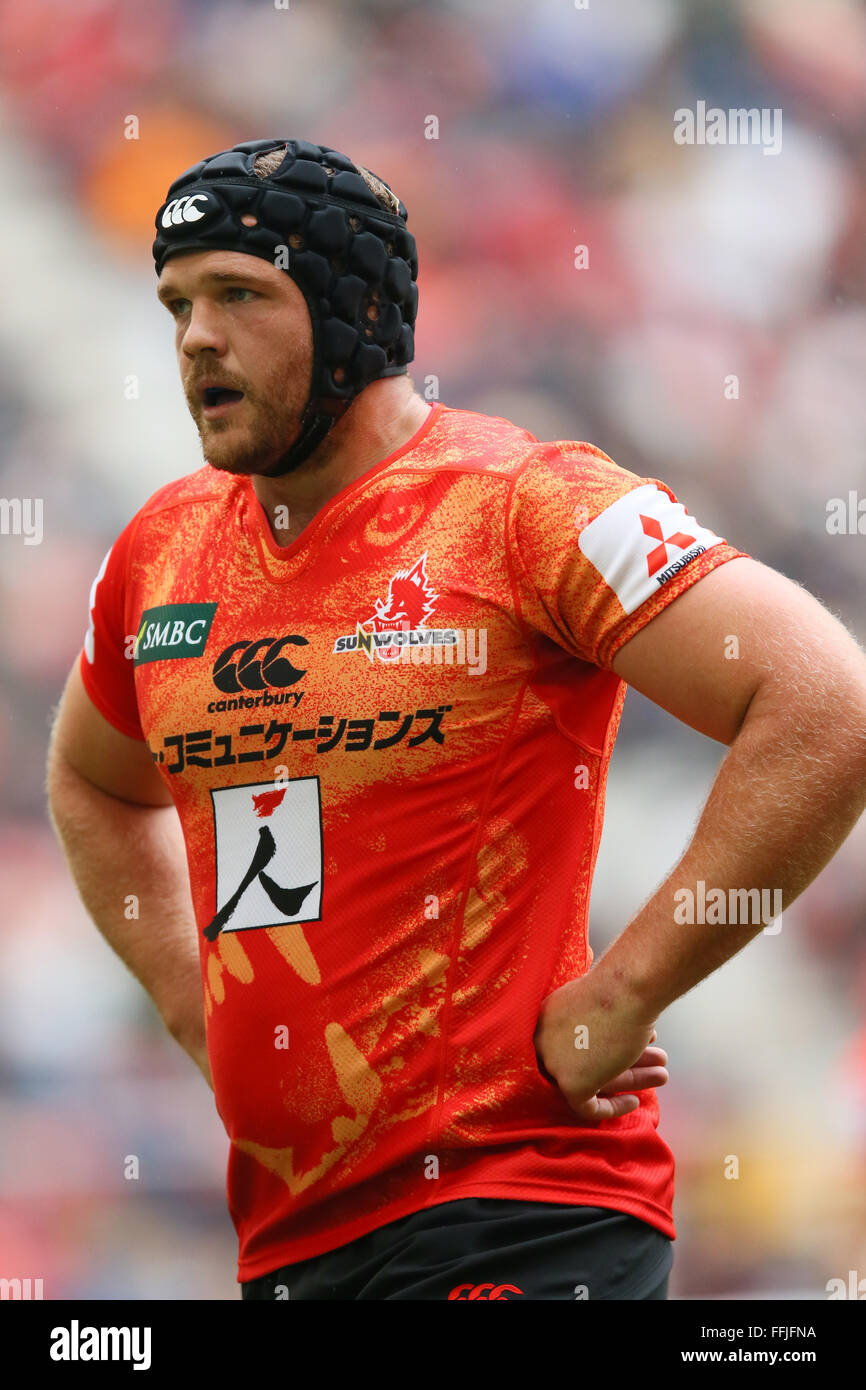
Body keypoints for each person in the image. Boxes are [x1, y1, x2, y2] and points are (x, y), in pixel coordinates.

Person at [46, 139, 866, 1301]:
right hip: (290, 1238)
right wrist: (192, 1005)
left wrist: (625, 992)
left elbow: (824, 698)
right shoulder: (158, 554)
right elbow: (93, 781)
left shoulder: (527, 504)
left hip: (516, 1213)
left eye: (239, 294)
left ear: (358, 310)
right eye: (178, 301)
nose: (194, 337)